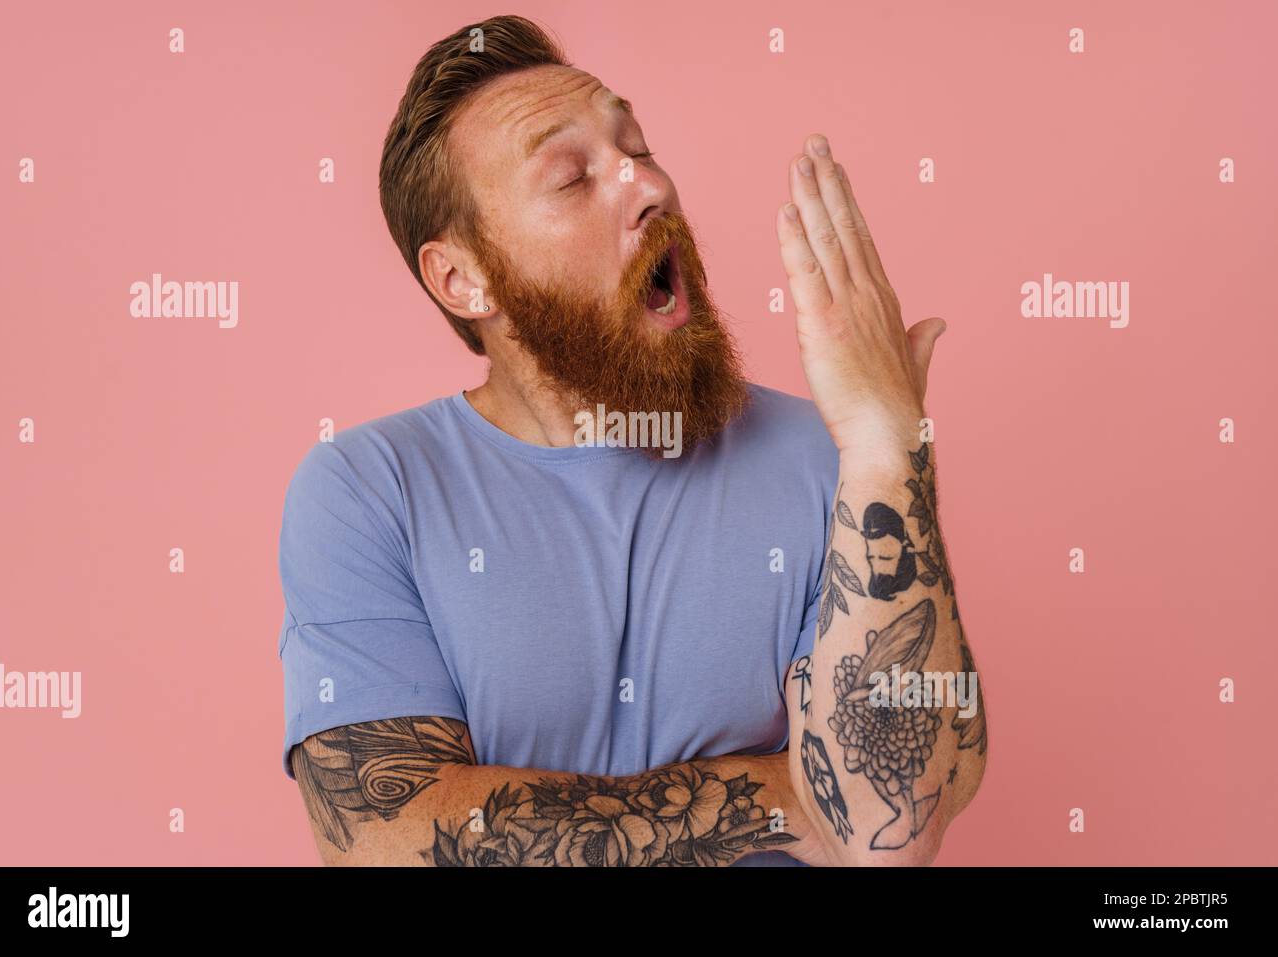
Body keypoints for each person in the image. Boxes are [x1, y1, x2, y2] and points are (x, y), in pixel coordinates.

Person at [277, 14, 987, 867]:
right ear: (464, 279)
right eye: (573, 177)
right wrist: (785, 791)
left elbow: (886, 826)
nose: (649, 185)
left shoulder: (830, 458)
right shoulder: (368, 490)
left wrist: (885, 443)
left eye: (637, 145)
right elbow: (384, 842)